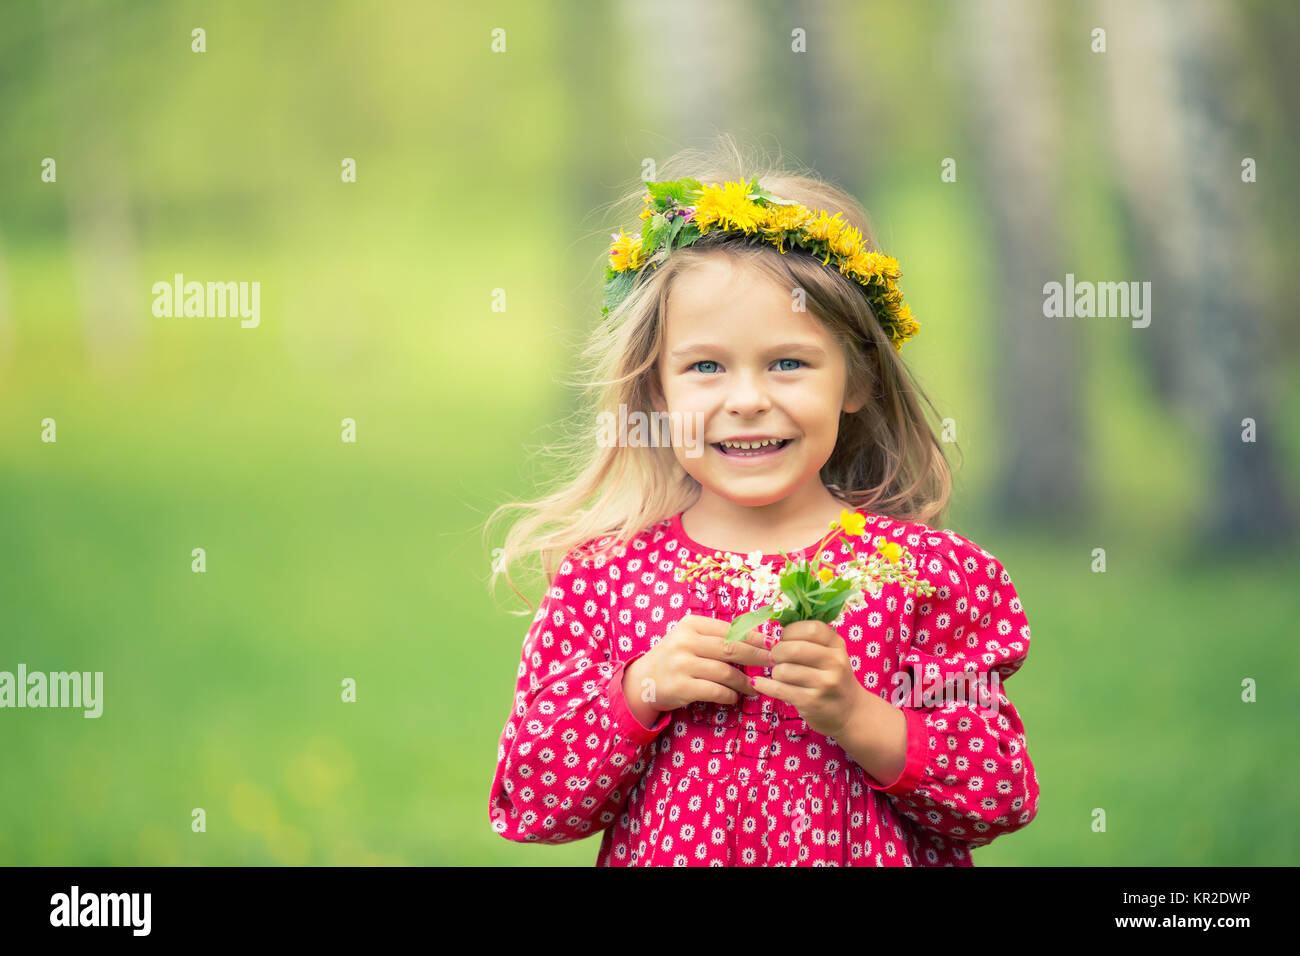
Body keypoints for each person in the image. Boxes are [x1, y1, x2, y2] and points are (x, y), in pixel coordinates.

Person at [484, 135, 1039, 866]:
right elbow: (530, 801)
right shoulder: (605, 580)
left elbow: (999, 790)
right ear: (657, 389)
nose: (747, 400)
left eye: (788, 363)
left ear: (858, 381)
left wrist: (860, 716)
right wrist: (640, 689)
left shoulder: (927, 576)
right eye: (706, 366)